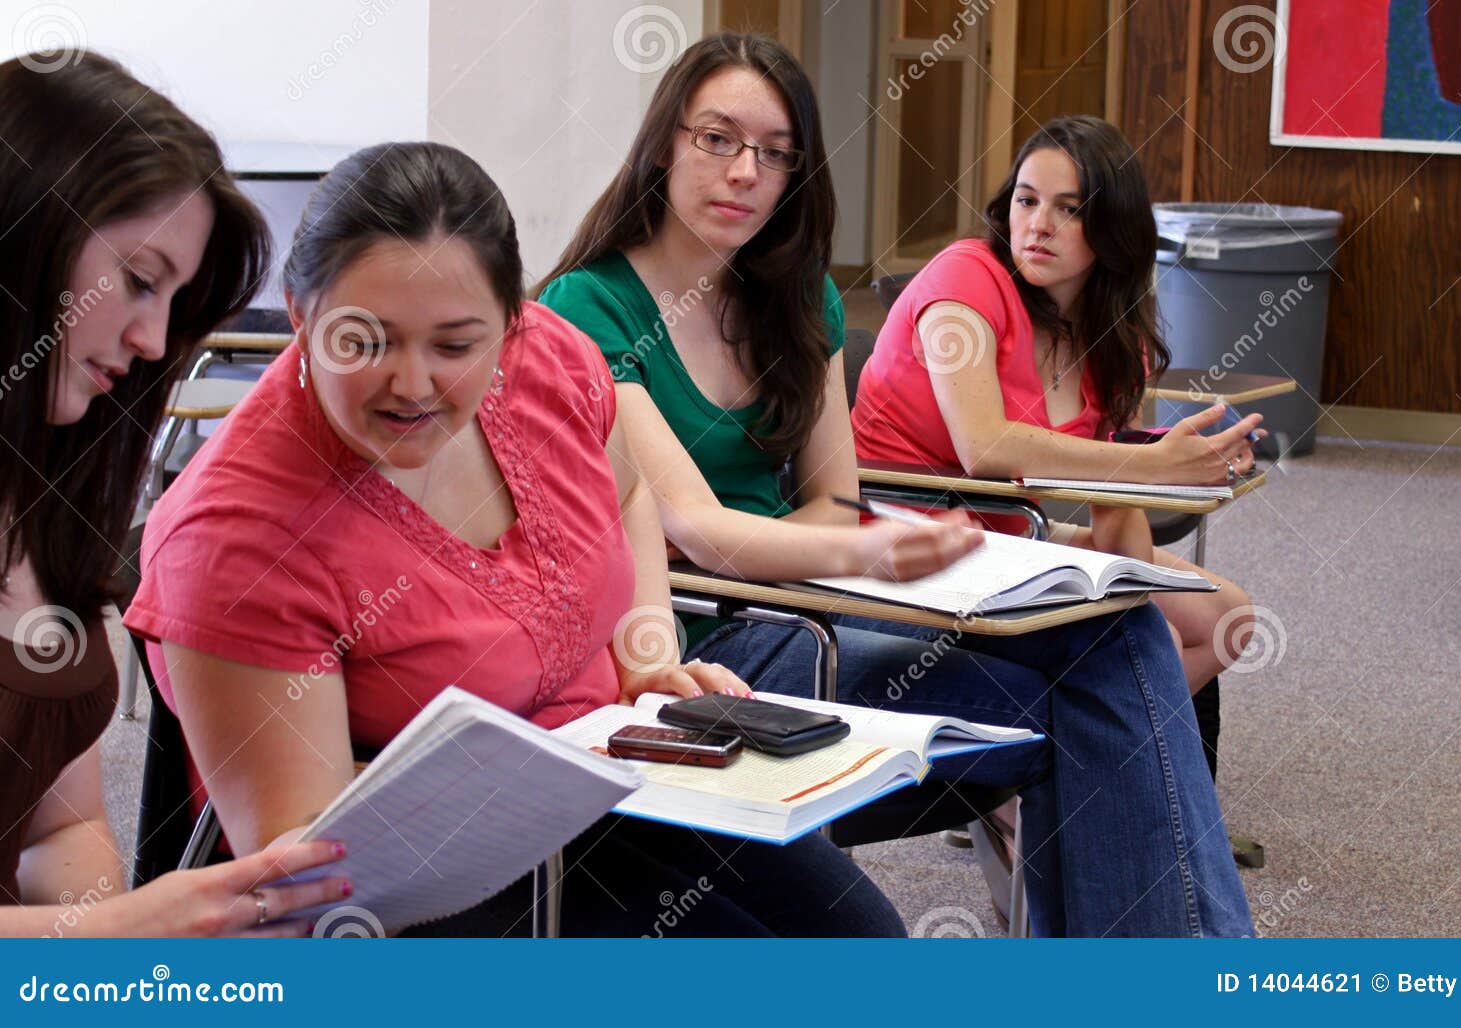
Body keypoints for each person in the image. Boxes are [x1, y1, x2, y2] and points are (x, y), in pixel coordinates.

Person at [539, 32, 1253, 937]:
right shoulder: (589, 305)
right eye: (717, 139)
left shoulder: (799, 301)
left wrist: (836, 549)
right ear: (664, 142)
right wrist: (861, 549)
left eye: (774, 153)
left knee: (1121, 637)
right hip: (714, 634)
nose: (745, 171)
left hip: (817, 592)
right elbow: (700, 530)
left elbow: (834, 497)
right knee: (1094, 715)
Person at [124, 140, 905, 938]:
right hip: (424, 881)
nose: (414, 383)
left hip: (606, 778)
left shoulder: (549, 361)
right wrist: (531, 787)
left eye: (457, 345)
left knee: (867, 939)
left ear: (511, 323)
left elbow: (629, 492)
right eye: (364, 342)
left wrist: (643, 657)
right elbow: (308, 857)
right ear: (298, 311)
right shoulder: (237, 535)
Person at [0, 51, 350, 937]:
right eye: (140, 279)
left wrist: (108, 946)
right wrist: (118, 936)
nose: (155, 339)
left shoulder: (45, 507)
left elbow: (60, 827)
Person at [850, 115, 1261, 693]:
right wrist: (1155, 466)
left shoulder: (1115, 341)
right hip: (900, 533)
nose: (1038, 225)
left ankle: (1075, 760)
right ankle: (1078, 756)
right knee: (1147, 651)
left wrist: (1181, 472)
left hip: (1006, 534)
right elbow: (985, 447)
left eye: (1069, 209)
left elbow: (1117, 515)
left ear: (1112, 227)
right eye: (1026, 200)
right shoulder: (964, 278)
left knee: (1228, 619)